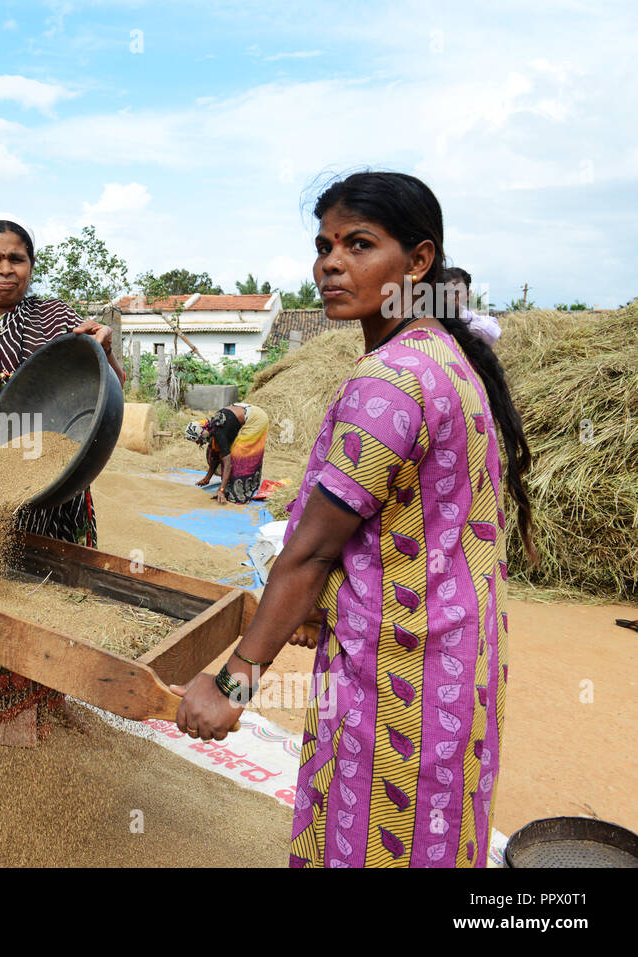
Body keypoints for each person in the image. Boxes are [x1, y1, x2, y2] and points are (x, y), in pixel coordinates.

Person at [171, 171, 536, 868]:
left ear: (418, 260)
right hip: (457, 668)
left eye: (359, 244)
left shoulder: (386, 382)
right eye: (325, 245)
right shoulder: (447, 360)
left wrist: (233, 683)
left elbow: (308, 555)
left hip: (395, 678)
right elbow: (406, 521)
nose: (331, 263)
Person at [0, 214, 125, 746]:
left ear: (32, 266)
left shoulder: (60, 321)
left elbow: (104, 391)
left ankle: (51, 700)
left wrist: (106, 348)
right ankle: (6, 715)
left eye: (17, 258)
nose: (6, 270)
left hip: (61, 486)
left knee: (57, 595)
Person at [186, 401, 270, 504]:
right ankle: (230, 482)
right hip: (243, 414)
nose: (199, 444)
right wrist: (207, 478)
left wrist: (221, 490)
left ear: (202, 434)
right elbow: (215, 454)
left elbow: (228, 463)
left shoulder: (218, 432)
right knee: (211, 452)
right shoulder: (210, 427)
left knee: (238, 458)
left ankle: (246, 488)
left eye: (198, 441)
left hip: (256, 419)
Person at [441, 266, 501, 347]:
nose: (452, 295)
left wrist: (460, 313)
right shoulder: (432, 319)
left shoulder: (476, 320)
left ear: (468, 295)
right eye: (447, 291)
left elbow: (494, 335)